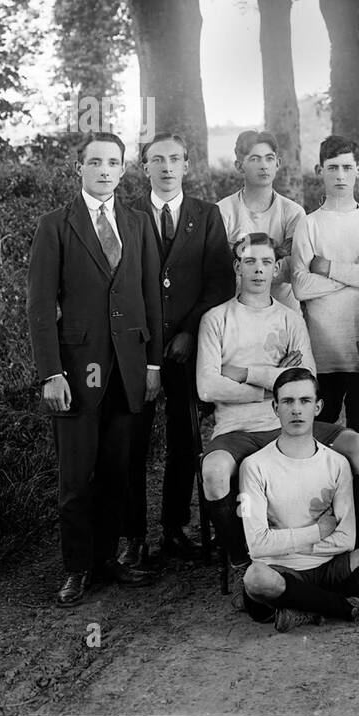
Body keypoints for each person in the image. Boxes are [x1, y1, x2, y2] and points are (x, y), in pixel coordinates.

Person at [197, 233, 359, 590]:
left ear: (277, 268)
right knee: (215, 471)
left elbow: (306, 381)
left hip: (294, 423)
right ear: (237, 267)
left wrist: (245, 372)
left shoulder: (290, 319)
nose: (258, 270)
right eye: (249, 262)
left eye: (266, 262)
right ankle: (240, 560)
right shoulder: (215, 320)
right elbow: (207, 387)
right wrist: (276, 381)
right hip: (238, 429)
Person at [27, 131, 163, 607]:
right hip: (76, 371)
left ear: (124, 170)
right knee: (76, 476)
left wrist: (152, 363)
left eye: (114, 163)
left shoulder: (138, 222)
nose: (105, 170)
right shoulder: (56, 226)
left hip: (128, 369)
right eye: (96, 162)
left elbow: (150, 298)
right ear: (79, 168)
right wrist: (51, 373)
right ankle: (77, 568)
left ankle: (108, 560)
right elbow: (41, 306)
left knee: (117, 471)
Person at [123, 131, 232, 567]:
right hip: (139, 349)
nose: (166, 168)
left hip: (187, 349)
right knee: (132, 441)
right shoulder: (128, 218)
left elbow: (220, 279)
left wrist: (190, 331)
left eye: (175, 159)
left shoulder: (206, 216)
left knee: (184, 440)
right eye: (157, 160)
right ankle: (131, 536)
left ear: (188, 165)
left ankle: (173, 527)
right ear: (143, 166)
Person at [239, 368, 359, 632]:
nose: (296, 410)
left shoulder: (336, 463)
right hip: (284, 572)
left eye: (305, 401)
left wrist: (289, 543)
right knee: (255, 579)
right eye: (287, 402)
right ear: (275, 408)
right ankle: (348, 607)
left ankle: (305, 608)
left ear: (319, 407)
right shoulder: (254, 466)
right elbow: (257, 546)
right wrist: (318, 531)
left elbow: (346, 539)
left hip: (332, 568)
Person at [290, 136, 359, 435]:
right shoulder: (308, 224)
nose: (340, 175)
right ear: (318, 169)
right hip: (321, 352)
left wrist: (328, 267)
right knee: (320, 431)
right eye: (332, 167)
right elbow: (301, 287)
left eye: (347, 167)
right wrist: (357, 270)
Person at [216, 130, 305, 310]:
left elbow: (292, 269)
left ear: (277, 163)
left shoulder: (293, 213)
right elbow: (220, 269)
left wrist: (243, 260)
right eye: (255, 159)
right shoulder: (222, 212)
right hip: (237, 310)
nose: (264, 165)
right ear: (240, 166)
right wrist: (275, 257)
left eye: (269, 158)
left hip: (284, 312)